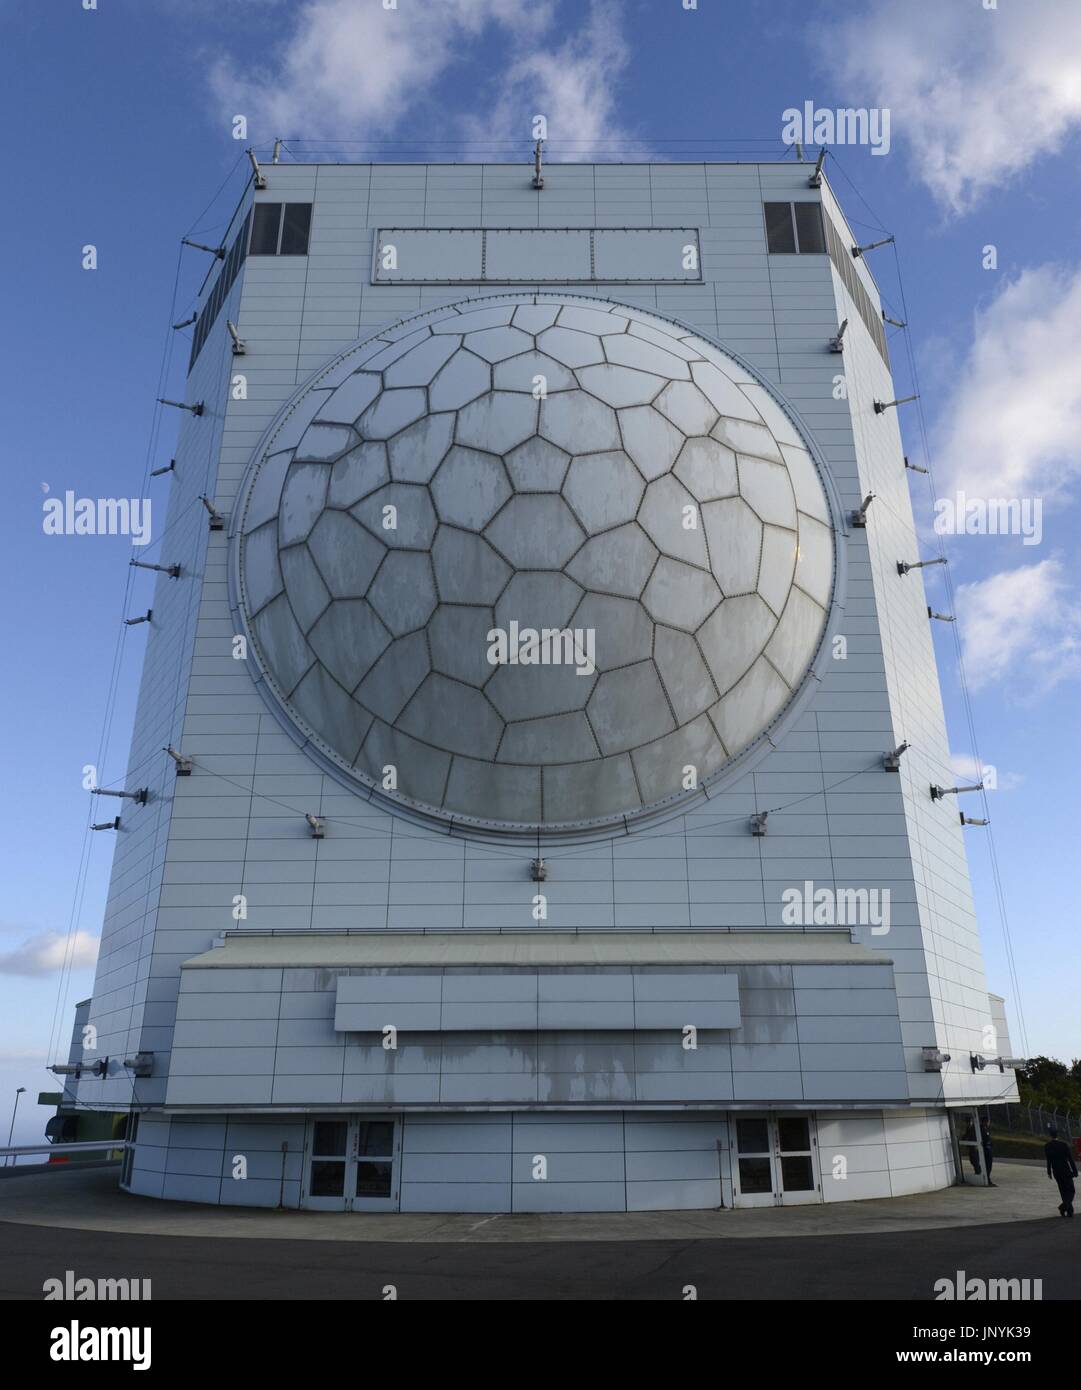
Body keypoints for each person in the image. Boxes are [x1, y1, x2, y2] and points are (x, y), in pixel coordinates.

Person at [1044, 1127, 1078, 1217]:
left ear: (1050, 1135)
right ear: (1057, 1135)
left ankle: (1068, 1210)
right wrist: (1075, 1171)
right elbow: (1070, 1159)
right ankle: (1064, 1207)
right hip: (1066, 1171)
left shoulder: (1047, 1146)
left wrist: (1049, 1172)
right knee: (1071, 1190)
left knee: (1063, 1191)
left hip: (1056, 1172)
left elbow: (1049, 1161)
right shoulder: (1063, 1145)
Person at [980, 1122, 995, 1186]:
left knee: (989, 1166)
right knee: (987, 1166)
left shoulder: (986, 1129)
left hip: (989, 1149)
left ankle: (988, 1179)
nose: (988, 1123)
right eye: (988, 1121)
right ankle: (987, 1180)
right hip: (986, 1150)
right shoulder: (981, 1130)